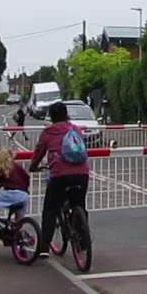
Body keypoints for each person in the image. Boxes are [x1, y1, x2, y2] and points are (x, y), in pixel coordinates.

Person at [29, 100, 91, 256]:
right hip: (82, 173)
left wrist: (33, 166)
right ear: (67, 114)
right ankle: (84, 242)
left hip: (60, 175)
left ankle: (44, 247)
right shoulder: (76, 129)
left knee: (50, 209)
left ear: (51, 116)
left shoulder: (48, 132)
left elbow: (39, 152)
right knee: (79, 204)